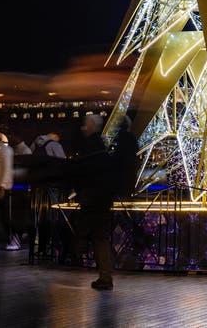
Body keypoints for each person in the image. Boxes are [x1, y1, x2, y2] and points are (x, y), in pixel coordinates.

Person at [68, 114, 116, 290]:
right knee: (98, 237)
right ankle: (105, 275)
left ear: (92, 127)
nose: (83, 128)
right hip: (101, 199)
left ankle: (77, 259)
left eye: (86, 125)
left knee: (88, 233)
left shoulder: (90, 148)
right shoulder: (102, 149)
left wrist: (80, 191)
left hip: (92, 199)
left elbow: (83, 172)